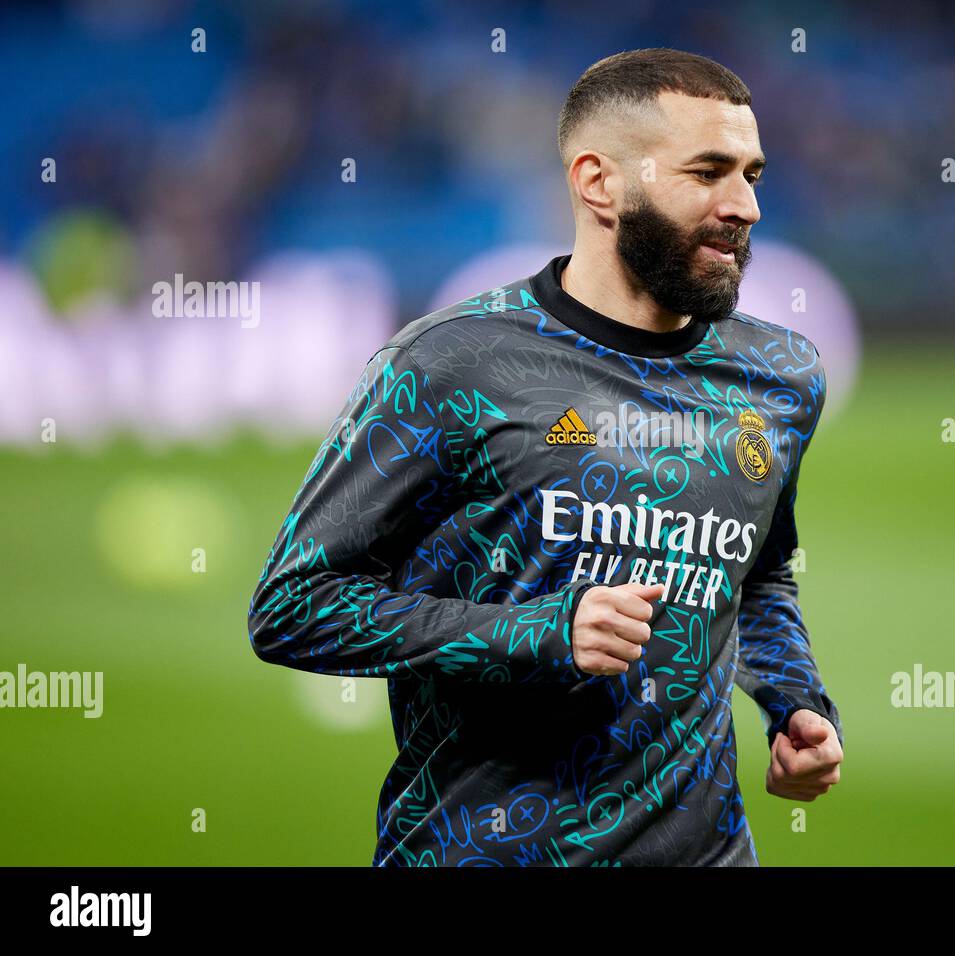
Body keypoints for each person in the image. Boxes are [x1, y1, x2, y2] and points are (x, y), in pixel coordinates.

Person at [247, 46, 844, 866]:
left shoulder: (779, 378)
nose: (744, 205)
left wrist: (793, 700)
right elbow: (293, 608)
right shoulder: (450, 366)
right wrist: (540, 632)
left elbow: (760, 569)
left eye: (753, 175)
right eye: (708, 172)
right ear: (600, 182)